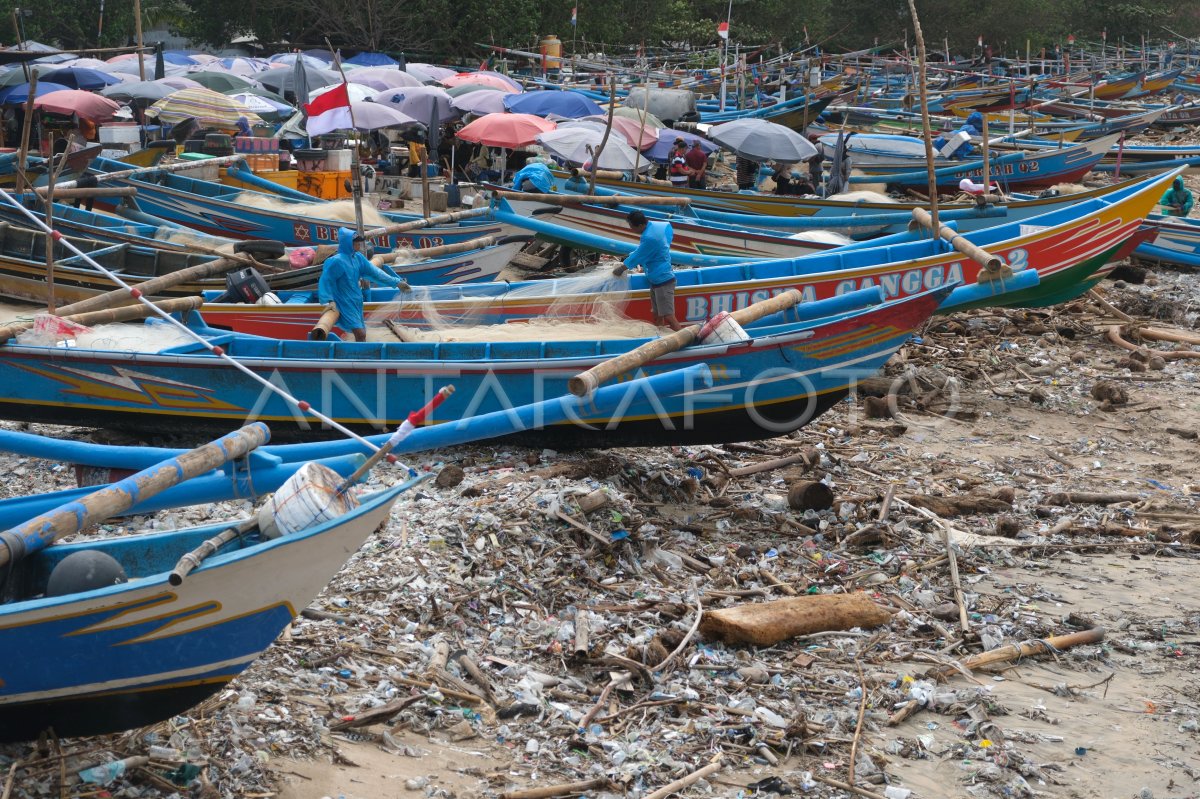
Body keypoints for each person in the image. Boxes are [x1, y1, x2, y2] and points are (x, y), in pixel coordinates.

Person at [317, 228, 404, 342]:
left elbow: (375, 272)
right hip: (344, 302)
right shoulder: (336, 261)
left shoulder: (358, 258)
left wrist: (396, 282)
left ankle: (358, 354)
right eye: (357, 243)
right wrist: (330, 300)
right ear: (349, 244)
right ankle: (360, 356)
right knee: (360, 334)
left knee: (362, 332)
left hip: (357, 300)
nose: (359, 246)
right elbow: (326, 280)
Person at [611, 210, 681, 331]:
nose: (632, 229)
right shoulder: (654, 228)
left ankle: (687, 341)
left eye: (632, 227)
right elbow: (643, 252)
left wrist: (622, 268)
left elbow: (639, 255)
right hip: (656, 281)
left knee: (668, 316)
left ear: (641, 225)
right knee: (657, 315)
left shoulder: (649, 238)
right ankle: (659, 337)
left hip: (663, 281)